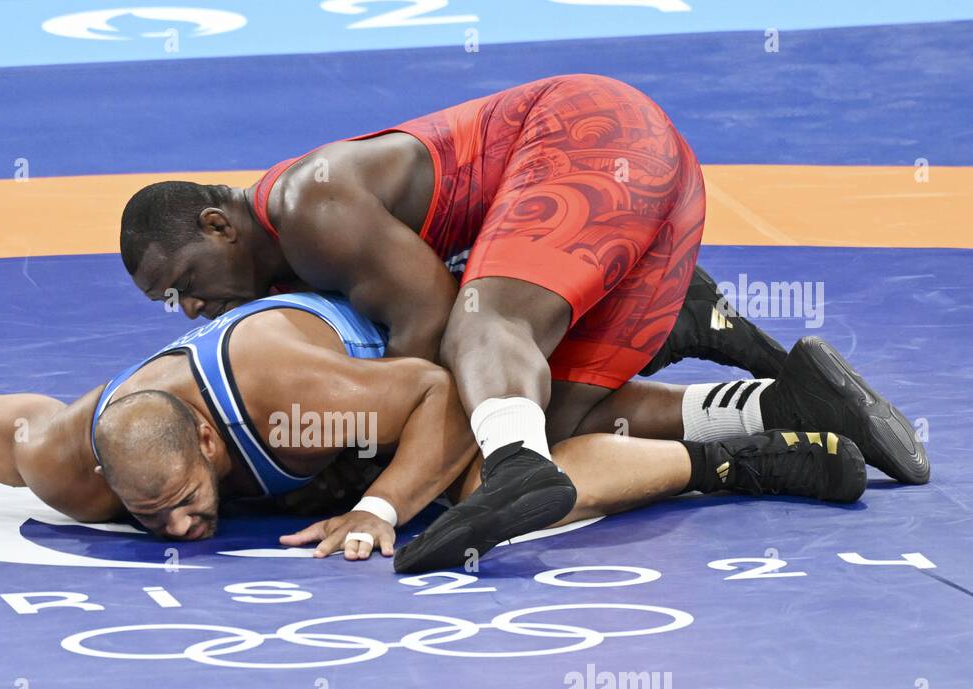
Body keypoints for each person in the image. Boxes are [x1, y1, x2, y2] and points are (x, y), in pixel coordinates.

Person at [119, 75, 928, 572]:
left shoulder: (307, 205)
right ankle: (781, 409)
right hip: (640, 198)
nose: (192, 309)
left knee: (480, 334)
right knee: (550, 419)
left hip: (594, 139)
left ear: (218, 225)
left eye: (185, 282)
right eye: (172, 304)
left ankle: (518, 470)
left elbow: (433, 338)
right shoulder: (290, 251)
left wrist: (377, 487)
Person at [0, 294, 870, 566]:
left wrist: (374, 504)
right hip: (332, 432)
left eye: (188, 505)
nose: (186, 531)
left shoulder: (280, 395)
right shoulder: (66, 460)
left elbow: (435, 395)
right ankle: (740, 414)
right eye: (158, 522)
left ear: (209, 447)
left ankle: (740, 417)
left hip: (411, 363)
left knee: (519, 463)